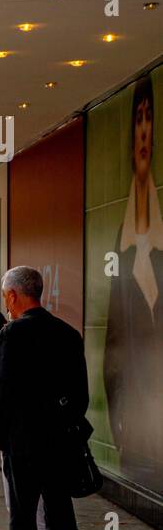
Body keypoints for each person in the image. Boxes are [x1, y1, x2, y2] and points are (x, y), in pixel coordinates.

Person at [0, 266, 86, 530]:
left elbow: (2, 392)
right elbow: (80, 398)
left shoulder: (13, 333)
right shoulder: (68, 335)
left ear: (13, 296)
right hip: (60, 446)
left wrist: (1, 422)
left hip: (25, 447)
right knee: (62, 526)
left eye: (5, 295)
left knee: (23, 527)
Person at [103, 76, 163, 487]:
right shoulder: (119, 250)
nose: (143, 129)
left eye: (148, 119)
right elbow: (112, 353)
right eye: (137, 119)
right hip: (136, 437)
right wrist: (119, 428)